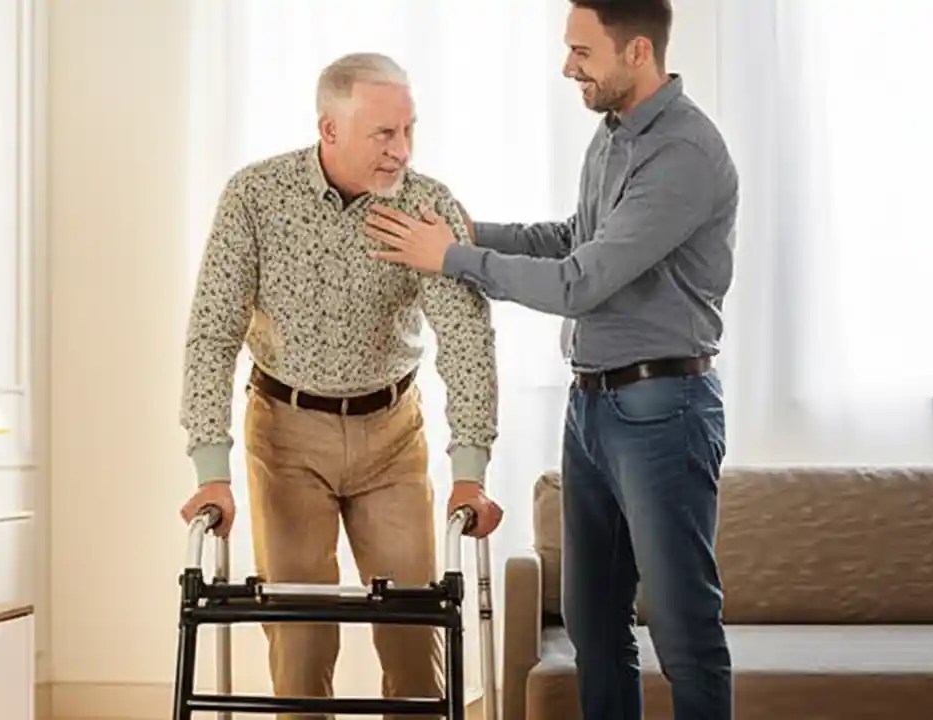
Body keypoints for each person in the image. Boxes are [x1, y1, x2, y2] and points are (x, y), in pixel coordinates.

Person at [363, 2, 738, 719]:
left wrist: (453, 259)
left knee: (684, 630)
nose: (568, 66)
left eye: (581, 51)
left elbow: (582, 281)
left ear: (636, 52)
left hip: (663, 412)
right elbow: (574, 237)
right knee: (594, 627)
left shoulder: (685, 153)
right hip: (594, 407)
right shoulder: (614, 136)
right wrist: (471, 232)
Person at [177, 52, 505, 717]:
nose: (401, 151)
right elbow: (213, 331)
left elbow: (466, 335)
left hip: (392, 434)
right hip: (286, 435)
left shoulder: (425, 202)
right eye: (384, 135)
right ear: (329, 128)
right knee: (300, 643)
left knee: (416, 635)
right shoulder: (256, 197)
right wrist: (212, 467)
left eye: (409, 131)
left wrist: (470, 468)